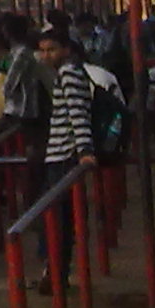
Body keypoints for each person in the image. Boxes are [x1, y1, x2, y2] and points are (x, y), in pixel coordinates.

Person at [33, 27, 100, 291]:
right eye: (43, 51)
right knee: (62, 220)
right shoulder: (74, 72)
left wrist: (84, 150)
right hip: (65, 154)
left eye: (51, 50)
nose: (46, 56)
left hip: (63, 155)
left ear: (66, 49)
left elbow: (77, 113)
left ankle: (55, 272)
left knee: (56, 221)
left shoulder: (68, 74)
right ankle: (56, 272)